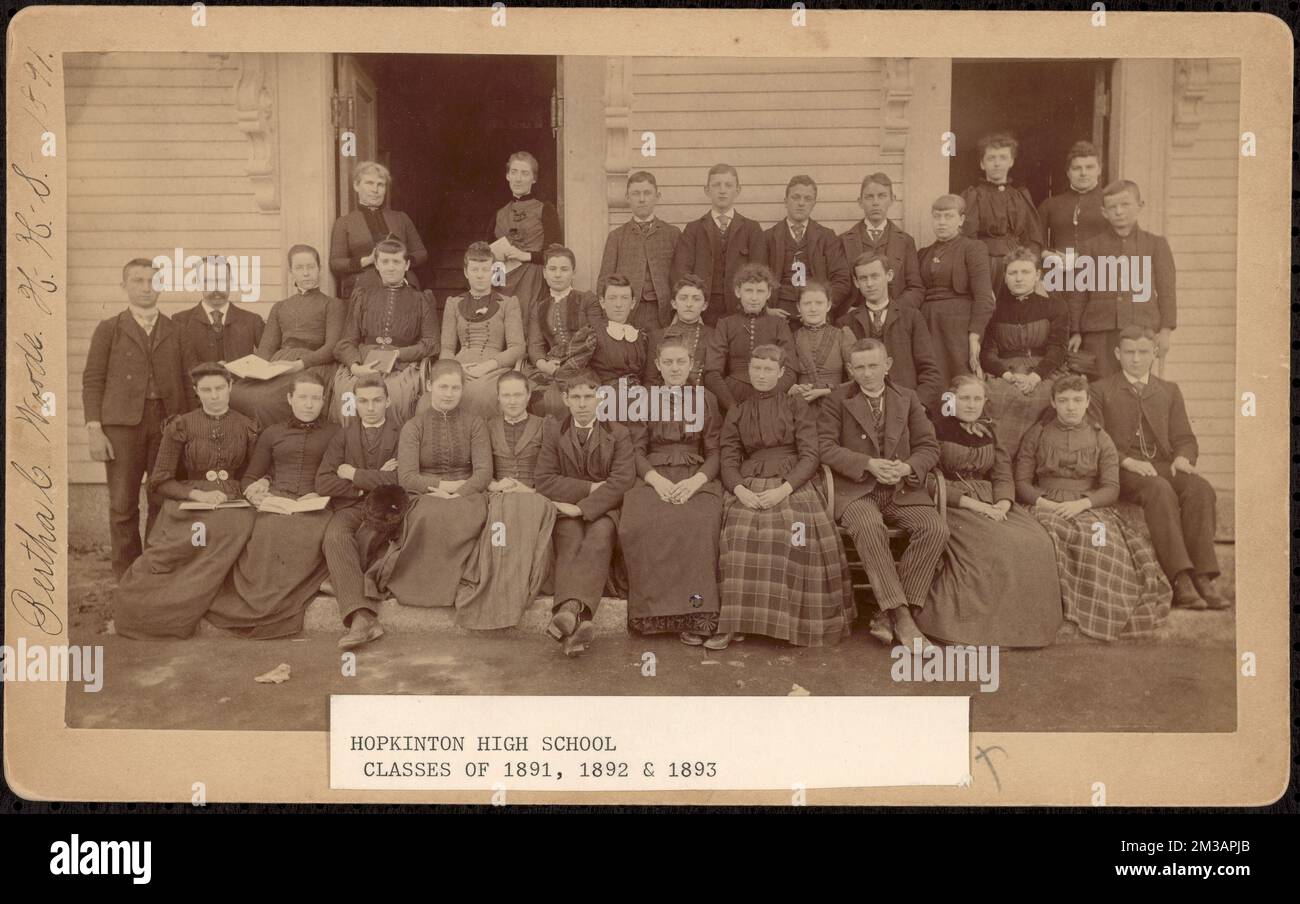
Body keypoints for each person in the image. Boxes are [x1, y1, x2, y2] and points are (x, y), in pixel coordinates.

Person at [716, 344, 854, 649]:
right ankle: (733, 623)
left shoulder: (796, 406)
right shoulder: (738, 410)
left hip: (792, 482)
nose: (762, 375)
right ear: (749, 371)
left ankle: (794, 624)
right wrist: (740, 489)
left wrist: (784, 489)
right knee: (737, 532)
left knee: (793, 532)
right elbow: (728, 457)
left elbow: (810, 454)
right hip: (750, 481)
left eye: (769, 369)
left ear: (780, 373)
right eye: (757, 369)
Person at [1015, 374, 1172, 641]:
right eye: (1064, 400)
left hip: (1089, 507)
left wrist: (1082, 504)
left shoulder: (1101, 438)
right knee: (1049, 533)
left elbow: (1111, 488)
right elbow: (1021, 482)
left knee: (1101, 542)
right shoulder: (1037, 434)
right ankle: (1058, 613)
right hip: (1044, 503)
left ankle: (1097, 615)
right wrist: (1044, 503)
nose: (1071, 407)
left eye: (1077, 400)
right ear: (1053, 402)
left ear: (1088, 402)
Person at [112, 363, 259, 639]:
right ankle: (164, 607)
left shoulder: (246, 425)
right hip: (190, 500)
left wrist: (253, 488)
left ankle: (214, 596)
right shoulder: (181, 425)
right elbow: (160, 480)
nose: (214, 396)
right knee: (191, 539)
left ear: (230, 388)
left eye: (219, 389)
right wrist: (196, 494)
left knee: (237, 524)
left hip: (233, 499)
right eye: (206, 390)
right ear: (196, 391)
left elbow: (254, 472)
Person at [914, 375, 1063, 647]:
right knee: (997, 545)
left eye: (977, 399)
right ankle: (974, 631)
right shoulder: (934, 430)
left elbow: (1002, 473)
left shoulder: (989, 431)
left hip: (993, 501)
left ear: (985, 402)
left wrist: (1003, 503)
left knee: (1037, 542)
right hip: (953, 503)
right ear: (951, 400)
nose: (971, 405)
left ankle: (1022, 630)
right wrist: (975, 505)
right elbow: (927, 480)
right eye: (965, 398)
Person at [819, 338, 946, 649]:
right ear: (850, 369)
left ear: (887, 365)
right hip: (857, 492)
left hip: (902, 489)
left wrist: (907, 468)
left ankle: (889, 612)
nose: (867, 373)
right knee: (868, 527)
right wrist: (868, 463)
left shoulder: (908, 398)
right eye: (859, 367)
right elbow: (824, 447)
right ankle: (903, 618)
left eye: (873, 365)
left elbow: (930, 447)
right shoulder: (837, 399)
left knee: (935, 528)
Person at [1089, 327, 1228, 609]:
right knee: (1159, 488)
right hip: (1122, 469)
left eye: (1143, 352)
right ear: (1118, 354)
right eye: (1129, 353)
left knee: (1199, 488)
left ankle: (1203, 576)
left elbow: (1185, 438)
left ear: (1154, 353)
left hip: (1162, 465)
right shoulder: (1101, 390)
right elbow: (1094, 438)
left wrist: (1182, 458)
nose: (1136, 359)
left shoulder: (1168, 390)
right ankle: (1180, 579)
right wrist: (1127, 461)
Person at [197, 372, 339, 639]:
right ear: (289, 399)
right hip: (277, 499)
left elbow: (338, 473)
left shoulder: (335, 432)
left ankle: (278, 606)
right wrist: (255, 491)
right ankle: (258, 604)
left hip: (316, 502)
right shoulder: (273, 432)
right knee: (265, 532)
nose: (309, 404)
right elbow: (251, 475)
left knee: (305, 532)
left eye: (315, 399)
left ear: (323, 401)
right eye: (303, 397)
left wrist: (322, 493)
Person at [82, 258, 188, 579]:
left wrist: (185, 425)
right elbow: (93, 380)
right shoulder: (110, 329)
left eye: (152, 281)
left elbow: (186, 380)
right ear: (124, 286)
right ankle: (126, 577)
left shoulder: (175, 329)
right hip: (121, 428)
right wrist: (94, 430)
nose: (146, 287)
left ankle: (154, 572)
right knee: (123, 503)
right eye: (138, 281)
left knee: (162, 498)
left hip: (167, 426)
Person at [619, 336, 725, 644]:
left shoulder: (705, 399)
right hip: (654, 475)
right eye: (668, 362)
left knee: (699, 523)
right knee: (641, 522)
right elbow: (635, 451)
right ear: (657, 365)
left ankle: (696, 613)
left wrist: (696, 482)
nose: (675, 368)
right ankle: (653, 614)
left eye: (681, 362)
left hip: (696, 474)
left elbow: (716, 450)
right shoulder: (642, 399)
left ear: (692, 364)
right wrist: (657, 481)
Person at [370, 361, 491, 608]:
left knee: (469, 515)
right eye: (442, 387)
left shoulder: (475, 423)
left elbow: (484, 472)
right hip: (424, 493)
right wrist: (443, 487)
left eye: (455, 388)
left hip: (468, 493)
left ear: (463, 389)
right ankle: (421, 587)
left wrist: (460, 491)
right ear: (429, 386)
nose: (448, 394)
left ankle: (458, 582)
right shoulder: (414, 426)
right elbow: (407, 477)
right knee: (427, 515)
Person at [535, 369, 637, 657]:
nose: (582, 403)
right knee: (568, 539)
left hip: (604, 510)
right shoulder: (554, 430)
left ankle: (568, 610)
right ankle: (579, 620)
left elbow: (622, 480)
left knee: (599, 537)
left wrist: (583, 507)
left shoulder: (618, 434)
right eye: (576, 397)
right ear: (566, 399)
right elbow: (544, 478)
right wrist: (589, 487)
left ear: (600, 398)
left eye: (588, 396)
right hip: (566, 511)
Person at [454, 371, 558, 630]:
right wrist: (493, 484)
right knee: (498, 514)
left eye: (518, 395)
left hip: (535, 495)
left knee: (525, 511)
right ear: (498, 398)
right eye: (506, 395)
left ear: (528, 396)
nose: (512, 401)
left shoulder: (546, 425)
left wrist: (530, 489)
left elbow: (554, 469)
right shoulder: (486, 426)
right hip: (497, 493)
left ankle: (518, 588)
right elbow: (477, 468)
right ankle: (496, 591)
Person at [315, 374, 403, 649]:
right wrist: (371, 482)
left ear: (388, 401)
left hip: (388, 508)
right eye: (363, 401)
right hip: (351, 505)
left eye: (377, 400)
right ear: (354, 403)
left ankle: (356, 609)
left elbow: (401, 478)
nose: (371, 407)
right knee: (335, 536)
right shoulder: (343, 435)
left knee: (372, 537)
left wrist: (353, 473)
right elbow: (323, 481)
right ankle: (362, 617)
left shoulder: (403, 432)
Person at [1066, 180, 1177, 378]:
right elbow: (1078, 293)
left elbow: (1167, 290)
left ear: (1140, 206)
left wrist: (1166, 331)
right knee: (1100, 388)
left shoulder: (1155, 245)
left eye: (1125, 205)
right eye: (1112, 207)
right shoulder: (1090, 247)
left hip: (1142, 328)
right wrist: (1075, 331)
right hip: (1099, 332)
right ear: (1104, 212)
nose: (1119, 211)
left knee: (1137, 385)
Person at [230, 244, 346, 427]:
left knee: (264, 402)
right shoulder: (280, 306)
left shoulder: (333, 305)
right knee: (234, 393)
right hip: (279, 365)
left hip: (313, 365)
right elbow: (266, 348)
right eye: (299, 268)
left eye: (311, 267)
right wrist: (257, 369)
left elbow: (332, 348)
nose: (306, 273)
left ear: (319, 269)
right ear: (291, 271)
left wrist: (299, 364)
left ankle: (278, 441)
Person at [331, 237, 439, 424]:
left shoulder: (421, 299)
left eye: (396, 262)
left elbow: (431, 344)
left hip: (401, 368)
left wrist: (398, 354)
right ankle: (352, 445)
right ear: (377, 265)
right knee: (348, 397)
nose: (391, 267)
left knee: (394, 397)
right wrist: (356, 367)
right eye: (385, 262)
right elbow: (346, 341)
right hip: (362, 365)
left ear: (406, 265)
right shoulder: (363, 296)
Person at [979, 246, 1070, 457]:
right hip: (1007, 372)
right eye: (1013, 273)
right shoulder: (995, 309)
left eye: (1025, 272)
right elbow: (987, 353)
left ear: (1037, 275)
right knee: (997, 396)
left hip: (1044, 370)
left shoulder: (1054, 305)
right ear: (1005, 276)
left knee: (1049, 396)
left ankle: (1038, 461)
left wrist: (1036, 376)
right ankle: (1003, 462)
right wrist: (1008, 375)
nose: (1019, 278)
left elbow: (1058, 348)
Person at [427, 241, 525, 420]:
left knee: (481, 396)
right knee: (432, 399)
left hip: (494, 368)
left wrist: (486, 367)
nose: (480, 275)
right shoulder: (453, 303)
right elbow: (447, 348)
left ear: (494, 271)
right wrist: (457, 368)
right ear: (466, 272)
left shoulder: (508, 303)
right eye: (474, 270)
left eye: (485, 269)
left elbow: (517, 347)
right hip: (459, 367)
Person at [839, 251, 943, 412]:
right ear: (856, 282)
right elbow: (845, 375)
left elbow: (930, 370)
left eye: (875, 276)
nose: (870, 284)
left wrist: (918, 404)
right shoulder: (846, 322)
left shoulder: (912, 317)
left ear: (889, 275)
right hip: (863, 410)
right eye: (863, 278)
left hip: (907, 407)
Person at [670, 163, 765, 327]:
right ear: (707, 190)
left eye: (728, 185)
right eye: (716, 185)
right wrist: (692, 305)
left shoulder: (751, 229)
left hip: (739, 307)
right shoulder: (693, 229)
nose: (722, 190)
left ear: (738, 190)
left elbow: (759, 273)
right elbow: (681, 271)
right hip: (704, 309)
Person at [917, 194, 996, 389]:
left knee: (958, 377)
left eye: (948, 216)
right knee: (932, 375)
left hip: (959, 327)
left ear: (961, 219)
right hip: (927, 323)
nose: (941, 222)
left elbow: (984, 297)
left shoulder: (973, 248)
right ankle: (936, 418)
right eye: (937, 216)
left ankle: (958, 418)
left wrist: (974, 335)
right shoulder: (923, 253)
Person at [173, 254, 265, 406]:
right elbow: (178, 369)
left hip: (243, 405)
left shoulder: (252, 321)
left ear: (231, 282)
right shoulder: (180, 322)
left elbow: (267, 363)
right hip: (196, 405)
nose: (216, 289)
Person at [488, 151, 562, 334]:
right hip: (504, 281)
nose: (518, 178)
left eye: (524, 173)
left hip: (532, 280)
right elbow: (490, 256)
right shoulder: (499, 214)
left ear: (534, 179)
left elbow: (556, 253)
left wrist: (525, 255)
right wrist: (496, 283)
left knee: (530, 327)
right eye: (514, 172)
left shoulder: (545, 209)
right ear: (507, 176)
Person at [329, 160, 428, 298]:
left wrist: (400, 259)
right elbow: (336, 263)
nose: (375, 190)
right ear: (356, 186)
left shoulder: (401, 218)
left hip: (403, 285)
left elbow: (421, 253)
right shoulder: (344, 222)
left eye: (380, 185)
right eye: (369, 183)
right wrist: (368, 260)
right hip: (364, 288)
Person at [758, 175, 850, 320]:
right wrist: (766, 309)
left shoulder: (827, 237)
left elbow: (841, 280)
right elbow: (756, 278)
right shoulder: (768, 237)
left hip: (816, 311)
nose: (801, 203)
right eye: (796, 197)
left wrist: (823, 308)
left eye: (807, 199)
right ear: (785, 201)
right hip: (778, 312)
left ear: (814, 203)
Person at [598, 171, 682, 328]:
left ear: (657, 196)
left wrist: (678, 312)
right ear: (627, 198)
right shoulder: (616, 237)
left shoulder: (673, 234)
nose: (642, 199)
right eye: (636, 194)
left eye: (647, 193)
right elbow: (605, 280)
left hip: (663, 313)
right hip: (627, 313)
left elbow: (680, 278)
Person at [960, 132, 1044, 283]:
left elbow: (1032, 238)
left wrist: (1028, 266)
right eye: (991, 158)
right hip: (985, 267)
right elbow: (967, 239)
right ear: (982, 163)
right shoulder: (973, 196)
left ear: (1011, 161)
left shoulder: (1020, 196)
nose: (997, 163)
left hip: (1018, 267)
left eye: (1003, 157)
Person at [526, 244, 598, 419]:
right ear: (544, 273)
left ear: (573, 273)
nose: (557, 274)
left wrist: (567, 366)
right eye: (552, 269)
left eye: (564, 269)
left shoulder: (587, 299)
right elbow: (535, 345)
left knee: (565, 400)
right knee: (526, 395)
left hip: (583, 364)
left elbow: (596, 337)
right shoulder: (539, 307)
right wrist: (545, 366)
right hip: (551, 366)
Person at [839, 172, 925, 318]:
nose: (875, 202)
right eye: (869, 197)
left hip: (895, 318)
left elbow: (916, 288)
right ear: (860, 201)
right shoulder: (843, 240)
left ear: (892, 200)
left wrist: (892, 310)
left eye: (882, 196)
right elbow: (839, 285)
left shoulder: (905, 241)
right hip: (855, 318)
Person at [712, 263, 796, 411]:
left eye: (760, 291)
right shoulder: (725, 324)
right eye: (749, 290)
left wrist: (770, 396)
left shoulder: (779, 324)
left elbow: (790, 369)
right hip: (733, 395)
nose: (754, 298)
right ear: (738, 291)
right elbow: (712, 371)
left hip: (772, 396)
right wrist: (731, 405)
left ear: (769, 293)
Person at [642, 274, 727, 404]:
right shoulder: (657, 336)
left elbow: (716, 378)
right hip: (664, 403)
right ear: (674, 303)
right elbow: (650, 380)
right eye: (683, 298)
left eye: (696, 299)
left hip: (701, 403)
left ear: (704, 305)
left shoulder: (714, 336)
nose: (689, 304)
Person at [1036, 141, 1108, 261]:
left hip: (1099, 272)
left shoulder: (1110, 202)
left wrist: (1083, 257)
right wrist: (1046, 254)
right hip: (1060, 272)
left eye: (1089, 167)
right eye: (1076, 168)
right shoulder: (1050, 205)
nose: (1083, 173)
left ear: (1099, 170)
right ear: (1068, 172)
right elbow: (1035, 241)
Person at [588, 275, 648, 395]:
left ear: (632, 303)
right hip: (605, 400)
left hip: (638, 400)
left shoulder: (641, 337)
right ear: (602, 302)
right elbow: (571, 371)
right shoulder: (593, 334)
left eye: (624, 298)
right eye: (612, 298)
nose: (618, 304)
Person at [788, 283, 845, 407]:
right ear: (798, 307)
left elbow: (856, 380)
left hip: (836, 405)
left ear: (828, 305)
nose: (813, 309)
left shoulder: (842, 336)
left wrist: (825, 391)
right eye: (807, 304)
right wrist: (795, 388)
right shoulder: (792, 338)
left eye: (819, 303)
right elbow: (787, 376)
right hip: (801, 406)